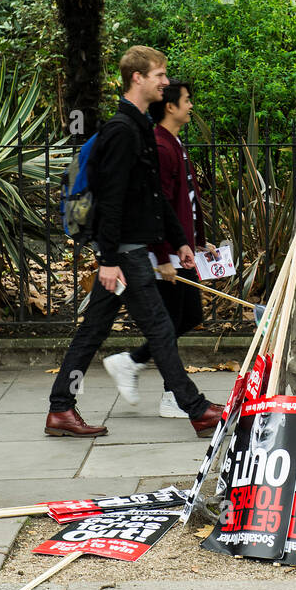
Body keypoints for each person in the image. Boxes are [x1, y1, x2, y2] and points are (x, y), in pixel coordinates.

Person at [44, 47, 223, 438]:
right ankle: (197, 410)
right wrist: (109, 260)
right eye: (159, 74)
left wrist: (178, 241)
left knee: (93, 331)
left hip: (130, 250)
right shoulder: (122, 131)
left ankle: (60, 408)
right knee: (160, 329)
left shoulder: (140, 127)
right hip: (124, 254)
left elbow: (152, 198)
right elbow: (112, 201)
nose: (165, 81)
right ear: (137, 78)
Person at [104, 80, 215, 418]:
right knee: (168, 322)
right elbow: (157, 205)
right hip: (161, 255)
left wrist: (194, 240)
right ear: (171, 106)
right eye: (187, 100)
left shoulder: (173, 143)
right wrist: (166, 255)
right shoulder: (162, 146)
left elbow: (184, 201)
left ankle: (132, 362)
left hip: (176, 250)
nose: (191, 105)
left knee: (188, 316)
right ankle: (171, 394)